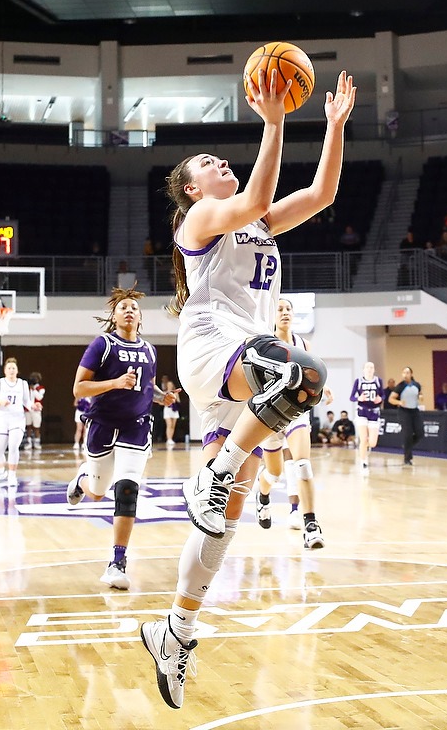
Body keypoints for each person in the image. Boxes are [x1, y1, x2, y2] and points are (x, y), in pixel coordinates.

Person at [141, 68, 353, 709]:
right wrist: (274, 120)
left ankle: (176, 629)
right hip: (214, 347)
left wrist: (334, 127)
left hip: (238, 373)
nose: (220, 164)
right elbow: (259, 196)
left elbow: (321, 194)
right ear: (191, 188)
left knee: (222, 524)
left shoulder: (257, 224)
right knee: (305, 375)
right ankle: (217, 471)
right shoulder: (200, 217)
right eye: (208, 163)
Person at [67, 287, 180, 590]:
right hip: (103, 424)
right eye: (123, 307)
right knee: (97, 493)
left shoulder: (150, 350)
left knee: (127, 489)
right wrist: (115, 383)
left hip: (136, 427)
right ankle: (82, 480)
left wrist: (162, 397)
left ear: (140, 317)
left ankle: (117, 561)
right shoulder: (103, 344)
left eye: (134, 307)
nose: (129, 310)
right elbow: (79, 388)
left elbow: (147, 387)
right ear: (114, 316)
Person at [254, 297, 329, 540]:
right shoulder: (266, 344)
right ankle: (262, 494)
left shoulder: (303, 345)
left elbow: (314, 376)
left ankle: (311, 525)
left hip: (296, 413)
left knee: (303, 464)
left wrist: (323, 388)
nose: (284, 312)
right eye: (280, 309)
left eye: (288, 309)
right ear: (273, 315)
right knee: (273, 474)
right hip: (271, 415)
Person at [0, 358, 31, 488]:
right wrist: (0, 402)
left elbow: (26, 401)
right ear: (5, 371)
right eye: (9, 368)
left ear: (17, 370)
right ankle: (0, 471)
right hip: (2, 418)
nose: (11, 370)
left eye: (13, 368)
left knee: (13, 446)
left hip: (17, 419)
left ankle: (12, 475)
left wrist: (33, 406)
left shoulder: (22, 384)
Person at [350, 361, 385, 471]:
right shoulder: (358, 381)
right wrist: (358, 398)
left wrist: (380, 398)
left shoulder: (378, 381)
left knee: (373, 443)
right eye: (367, 367)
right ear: (363, 370)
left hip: (374, 412)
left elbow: (383, 395)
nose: (369, 369)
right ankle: (363, 461)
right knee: (363, 438)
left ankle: (366, 448)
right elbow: (351, 397)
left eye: (371, 367)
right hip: (362, 412)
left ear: (374, 370)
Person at [390, 366, 424, 462]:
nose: (405, 374)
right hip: (404, 412)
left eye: (407, 372)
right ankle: (407, 458)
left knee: (420, 433)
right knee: (408, 434)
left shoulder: (417, 385)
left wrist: (421, 396)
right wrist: (399, 402)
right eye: (404, 373)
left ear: (411, 374)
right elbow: (391, 399)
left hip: (415, 411)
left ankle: (407, 445)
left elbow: (420, 394)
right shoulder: (400, 386)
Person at [24, 372, 46, 451]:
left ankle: (37, 442)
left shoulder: (41, 388)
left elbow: (39, 397)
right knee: (28, 426)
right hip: (27, 410)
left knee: (36, 427)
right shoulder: (26, 388)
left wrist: (34, 390)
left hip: (36, 410)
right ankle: (29, 442)